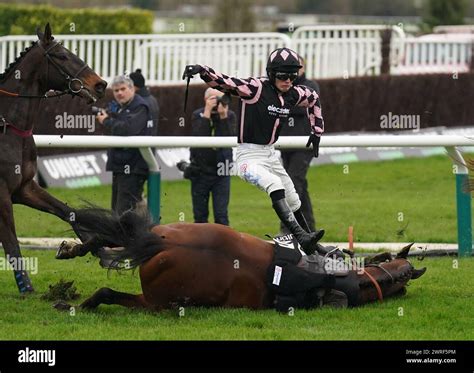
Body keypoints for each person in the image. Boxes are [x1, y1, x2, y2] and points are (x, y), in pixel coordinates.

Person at [182, 47, 328, 256]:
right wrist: (202, 70)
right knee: (275, 185)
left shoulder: (294, 93)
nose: (288, 81)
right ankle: (302, 237)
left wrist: (316, 131)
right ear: (271, 74)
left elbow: (314, 99)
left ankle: (310, 242)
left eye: (292, 76)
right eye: (283, 76)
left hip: (270, 154)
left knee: (294, 198)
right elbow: (225, 82)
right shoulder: (255, 88)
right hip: (247, 158)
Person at [96, 75, 154, 215]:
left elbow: (128, 130)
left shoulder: (139, 105)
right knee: (118, 209)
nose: (119, 93)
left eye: (123, 89)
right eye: (116, 91)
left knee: (123, 211)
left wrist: (106, 121)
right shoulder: (123, 106)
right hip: (121, 166)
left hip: (133, 167)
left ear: (132, 89)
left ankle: (128, 236)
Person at [179, 87, 237, 225]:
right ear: (206, 100)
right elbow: (199, 137)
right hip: (200, 171)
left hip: (221, 171)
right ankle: (200, 245)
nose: (218, 102)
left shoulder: (230, 115)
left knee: (221, 214)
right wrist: (207, 113)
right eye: (214, 99)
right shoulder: (198, 114)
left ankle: (222, 245)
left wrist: (223, 117)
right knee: (200, 215)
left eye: (220, 98)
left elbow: (229, 140)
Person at [278, 56, 320, 234]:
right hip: (285, 144)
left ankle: (288, 229)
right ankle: (308, 227)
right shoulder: (284, 85)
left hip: (304, 144)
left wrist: (284, 104)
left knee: (293, 184)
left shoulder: (311, 85)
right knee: (298, 185)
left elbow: (304, 106)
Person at [129, 68, 160, 135]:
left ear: (133, 85)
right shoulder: (152, 99)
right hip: (151, 140)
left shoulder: (138, 102)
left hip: (141, 142)